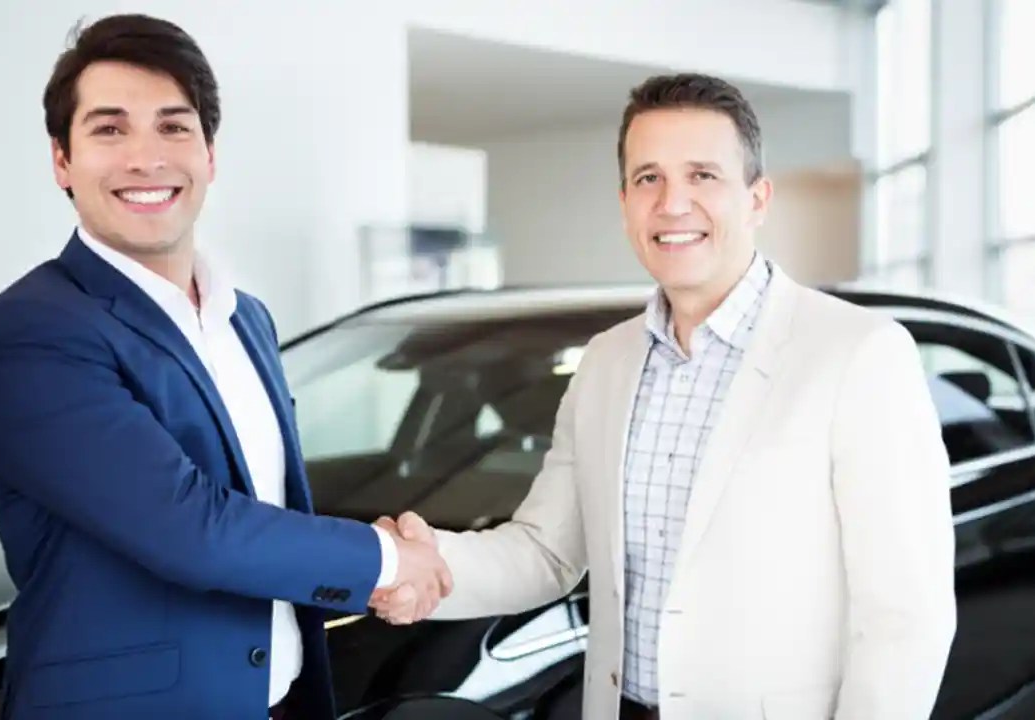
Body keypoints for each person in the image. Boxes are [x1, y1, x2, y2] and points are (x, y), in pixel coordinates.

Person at [370, 73, 957, 720]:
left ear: (757, 198)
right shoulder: (605, 362)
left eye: (703, 175)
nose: (672, 202)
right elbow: (547, 551)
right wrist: (416, 561)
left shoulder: (859, 353)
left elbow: (906, 617)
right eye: (649, 178)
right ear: (624, 202)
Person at [0, 14, 450, 720]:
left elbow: (264, 513)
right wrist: (388, 560)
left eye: (173, 126)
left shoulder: (245, 317)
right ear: (62, 160)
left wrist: (372, 572)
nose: (145, 157)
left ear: (210, 154)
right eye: (109, 129)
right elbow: (193, 528)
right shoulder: (29, 332)